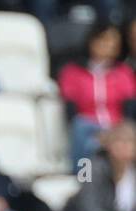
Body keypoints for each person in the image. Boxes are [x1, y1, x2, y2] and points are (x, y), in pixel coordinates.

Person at [58, 23, 136, 168]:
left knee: (125, 137)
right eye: (105, 40)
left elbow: (129, 111)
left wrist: (114, 133)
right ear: (92, 41)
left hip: (116, 127)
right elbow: (71, 113)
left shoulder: (124, 73)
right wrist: (101, 135)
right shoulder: (72, 72)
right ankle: (84, 181)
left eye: (114, 41)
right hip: (88, 129)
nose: (110, 44)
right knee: (84, 134)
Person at [64, 121, 136, 211]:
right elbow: (87, 207)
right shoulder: (89, 165)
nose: (124, 147)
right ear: (108, 145)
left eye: (129, 142)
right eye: (119, 141)